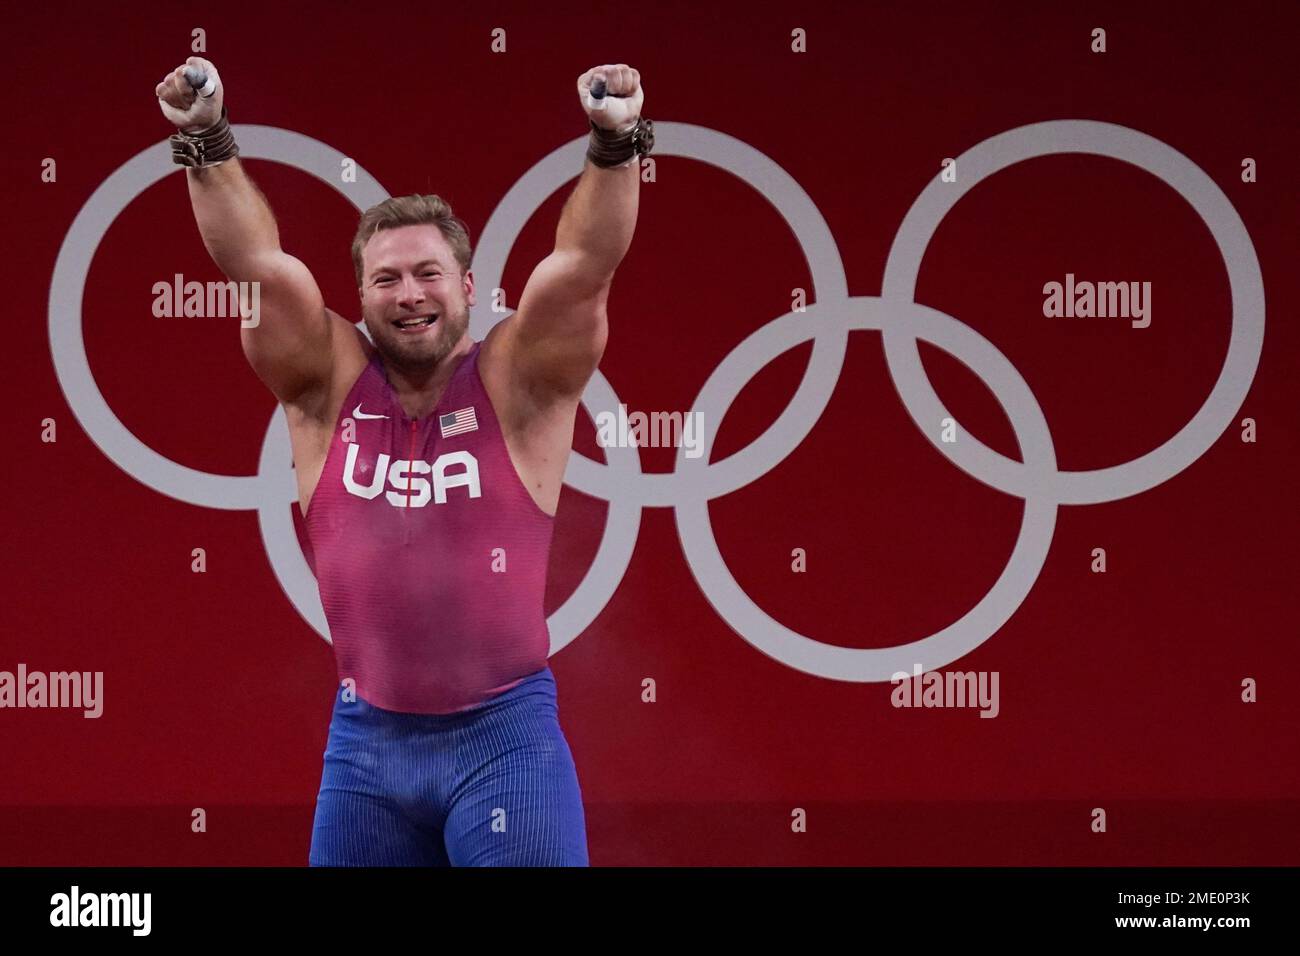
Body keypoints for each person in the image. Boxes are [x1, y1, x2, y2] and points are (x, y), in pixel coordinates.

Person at [155, 55, 651, 866]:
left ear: (467, 284)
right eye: (386, 279)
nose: (409, 294)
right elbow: (254, 267)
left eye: (428, 274)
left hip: (505, 744)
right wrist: (205, 136)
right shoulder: (324, 384)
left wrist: (615, 141)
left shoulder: (520, 381)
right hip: (366, 752)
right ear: (360, 298)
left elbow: (586, 266)